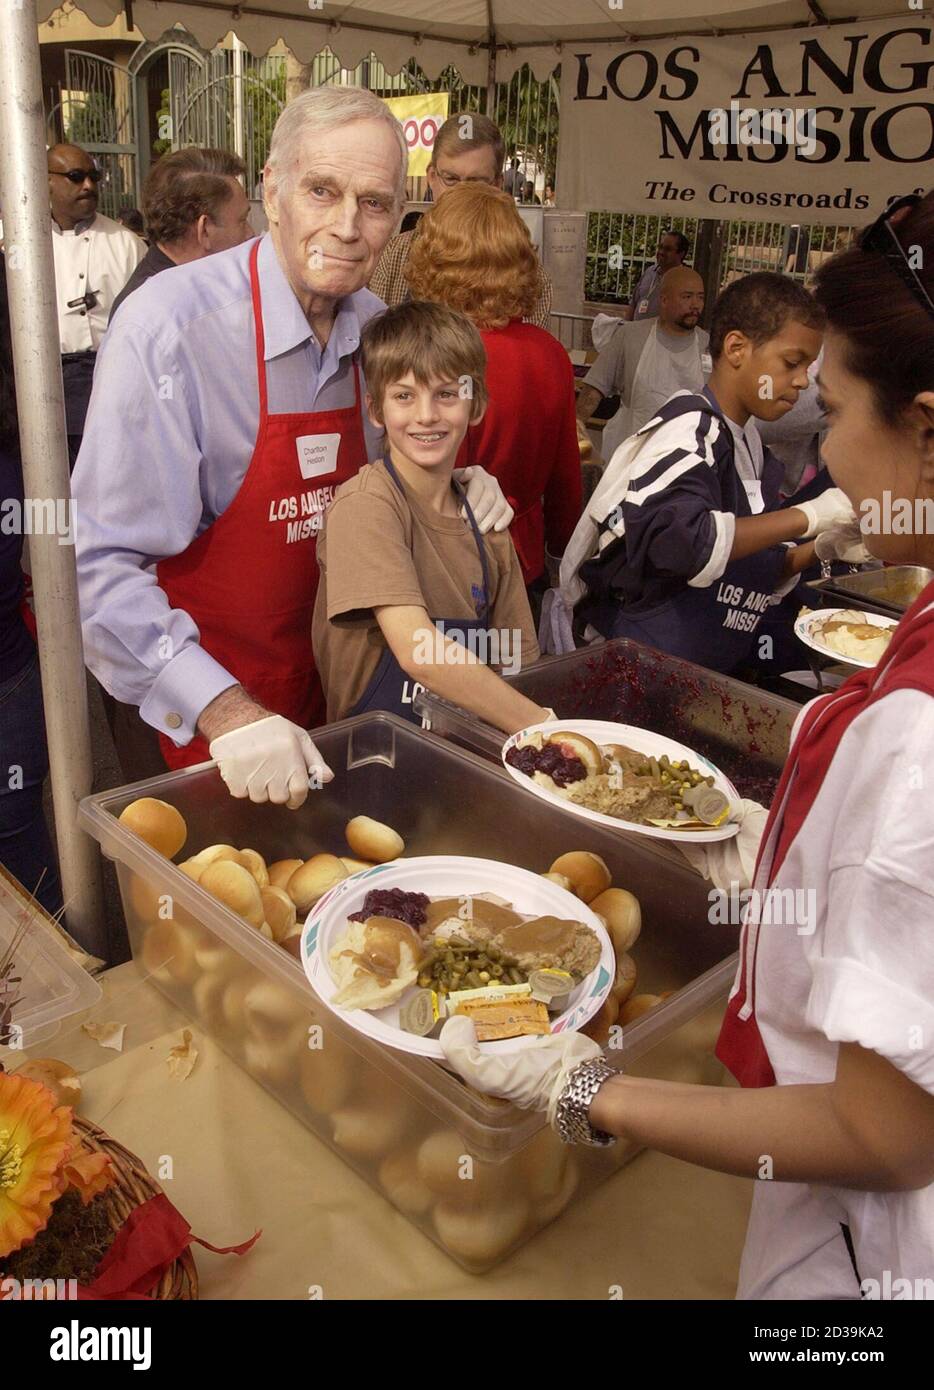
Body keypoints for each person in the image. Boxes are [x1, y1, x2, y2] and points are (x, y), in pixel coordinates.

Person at [440, 191, 934, 1302]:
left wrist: (585, 1093)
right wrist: (780, 853)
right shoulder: (692, 435)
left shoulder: (919, 740)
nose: (828, 437)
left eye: (838, 401)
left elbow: (885, 1132)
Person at [71, 88, 512, 807]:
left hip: (346, 696)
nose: (345, 226)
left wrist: (453, 482)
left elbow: (387, 481)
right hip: (215, 721)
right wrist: (228, 713)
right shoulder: (169, 331)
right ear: (272, 191)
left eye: (373, 203)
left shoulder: (375, 327)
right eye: (321, 191)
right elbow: (99, 567)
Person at [571, 273, 857, 676]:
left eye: (808, 367)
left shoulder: (750, 443)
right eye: (792, 363)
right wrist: (810, 515)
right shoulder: (690, 430)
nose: (801, 381)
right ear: (737, 348)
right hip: (639, 667)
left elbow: (745, 565)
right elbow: (682, 543)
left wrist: (821, 547)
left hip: (699, 669)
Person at [313, 301, 547, 732]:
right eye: (404, 396)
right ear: (376, 411)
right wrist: (542, 727)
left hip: (469, 757)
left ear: (475, 405)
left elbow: (514, 660)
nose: (426, 415)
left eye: (446, 394)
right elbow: (419, 650)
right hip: (377, 768)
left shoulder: (488, 523)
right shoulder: (366, 507)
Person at [406, 183, 582, 593]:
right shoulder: (551, 353)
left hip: (438, 568)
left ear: (435, 258)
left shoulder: (427, 354)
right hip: (523, 561)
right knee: (515, 658)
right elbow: (565, 480)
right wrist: (560, 554)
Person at [0, 260, 63, 919]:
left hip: (12, 687)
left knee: (31, 901)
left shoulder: (22, 449)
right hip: (16, 685)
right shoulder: (21, 436)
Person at [368, 115, 552, 329]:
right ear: (432, 176)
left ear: (498, 185)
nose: (461, 193)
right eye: (451, 179)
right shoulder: (393, 255)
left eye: (476, 182)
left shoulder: (526, 273)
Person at [47, 143, 145, 468]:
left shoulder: (126, 244)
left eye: (93, 176)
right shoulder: (23, 245)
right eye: (75, 177)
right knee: (49, 495)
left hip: (108, 380)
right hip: (43, 382)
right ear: (45, 180)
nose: (87, 186)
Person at [576, 266, 709, 462]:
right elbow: (595, 388)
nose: (695, 305)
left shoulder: (708, 345)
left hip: (684, 460)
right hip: (629, 457)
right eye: (687, 297)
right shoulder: (630, 336)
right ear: (664, 300)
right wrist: (575, 432)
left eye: (700, 297)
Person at [110, 148, 252, 320]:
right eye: (242, 221)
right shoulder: (151, 312)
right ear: (204, 230)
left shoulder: (186, 292)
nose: (251, 234)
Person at [624, 229, 689, 322]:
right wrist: (625, 327)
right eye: (660, 247)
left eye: (668, 249)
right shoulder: (650, 272)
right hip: (637, 332)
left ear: (681, 254)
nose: (661, 252)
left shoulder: (685, 280)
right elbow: (633, 304)